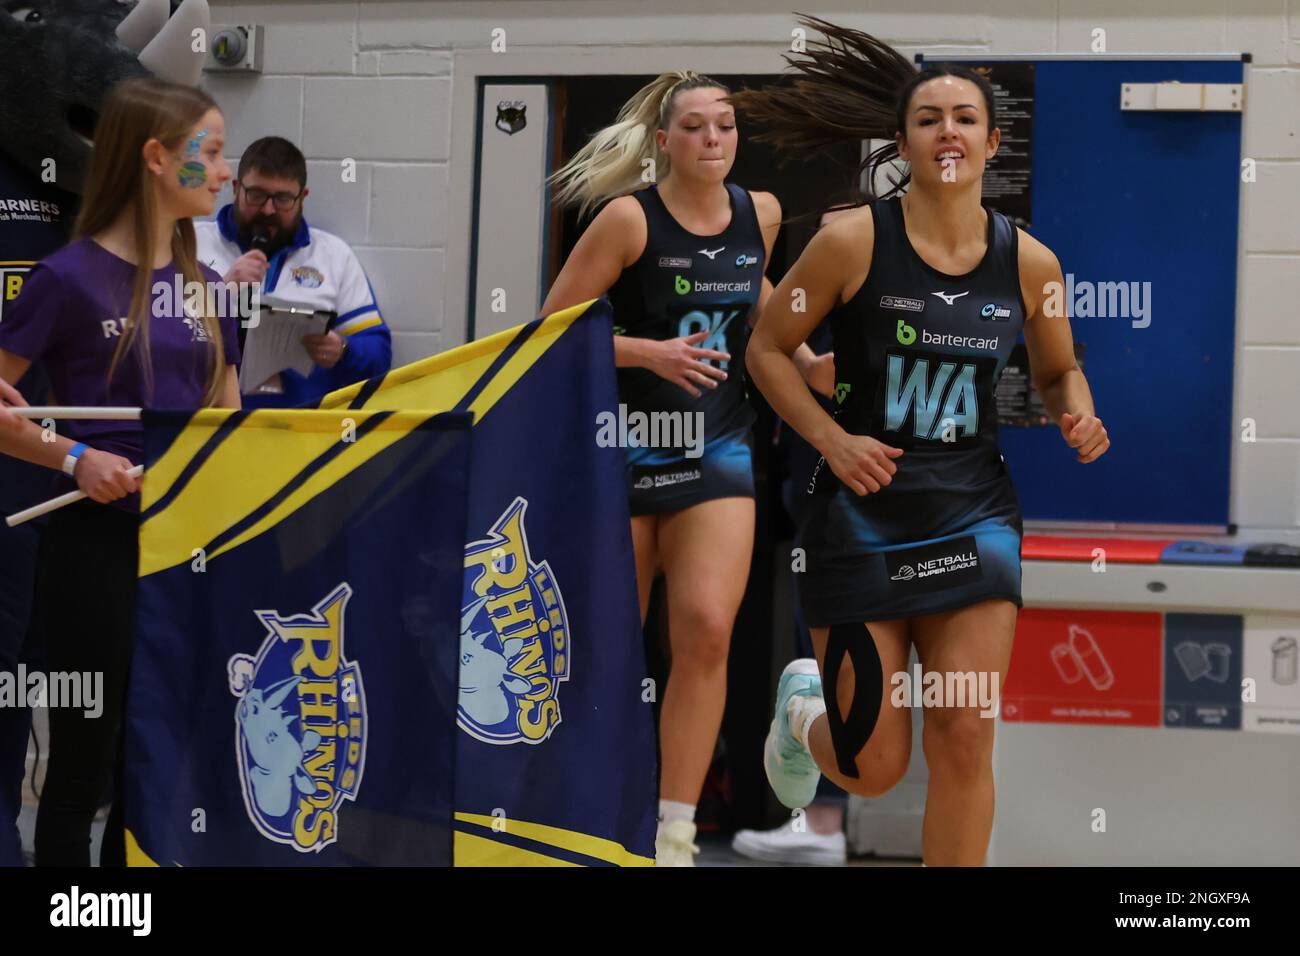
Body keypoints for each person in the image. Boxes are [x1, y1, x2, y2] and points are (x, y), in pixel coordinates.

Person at [736, 17, 1110, 866]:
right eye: (930, 118)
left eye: (965, 117)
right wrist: (832, 440)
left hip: (974, 515)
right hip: (861, 516)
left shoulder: (1033, 265)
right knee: (873, 767)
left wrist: (1075, 411)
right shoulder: (852, 241)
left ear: (992, 139)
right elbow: (765, 349)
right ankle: (804, 709)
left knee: (964, 738)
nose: (949, 131)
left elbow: (1057, 372)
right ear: (903, 139)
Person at [540, 71, 830, 866]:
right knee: (608, 645)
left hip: (718, 446)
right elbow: (551, 332)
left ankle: (674, 831)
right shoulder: (626, 220)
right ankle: (585, 811)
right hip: (623, 449)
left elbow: (754, 292)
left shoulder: (761, 213)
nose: (713, 139)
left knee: (705, 629)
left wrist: (806, 361)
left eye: (726, 126)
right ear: (664, 141)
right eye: (696, 127)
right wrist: (645, 351)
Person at [0, 77, 241, 866]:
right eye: (209, 153)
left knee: (161, 756)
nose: (225, 171)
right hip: (95, 542)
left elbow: (229, 419)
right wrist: (73, 455)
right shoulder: (66, 278)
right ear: (153, 158)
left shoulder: (205, 287)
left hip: (190, 543)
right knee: (84, 763)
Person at [195, 136, 391, 408]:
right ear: (236, 188)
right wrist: (220, 291)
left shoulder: (333, 255)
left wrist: (343, 351)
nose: (268, 209)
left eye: (283, 198)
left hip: (305, 432)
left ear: (303, 197)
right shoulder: (191, 244)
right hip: (207, 426)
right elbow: (155, 339)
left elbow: (379, 354)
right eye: (256, 195)